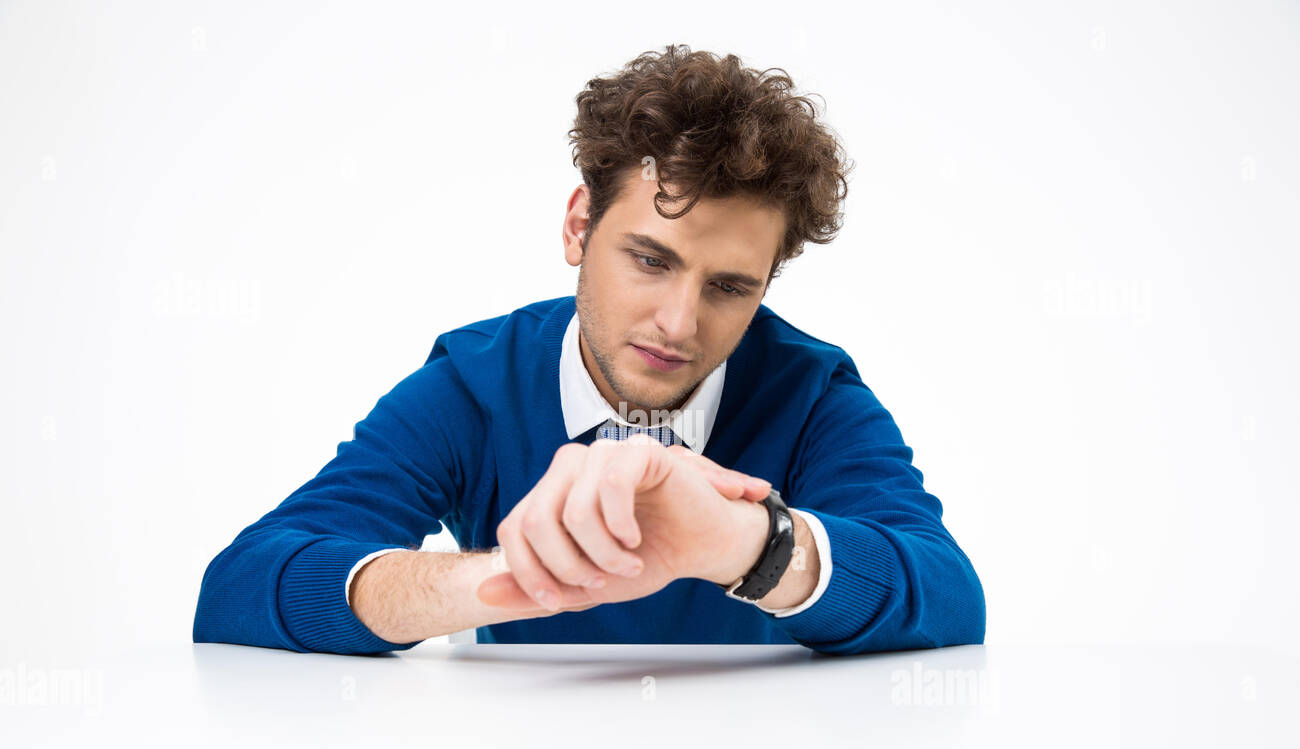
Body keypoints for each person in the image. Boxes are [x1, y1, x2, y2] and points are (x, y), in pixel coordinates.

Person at [192, 44, 986, 656]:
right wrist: (509, 579)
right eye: (650, 260)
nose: (678, 323)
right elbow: (238, 589)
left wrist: (742, 543)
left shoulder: (813, 396)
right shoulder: (475, 385)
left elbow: (953, 600)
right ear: (579, 227)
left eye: (729, 288)